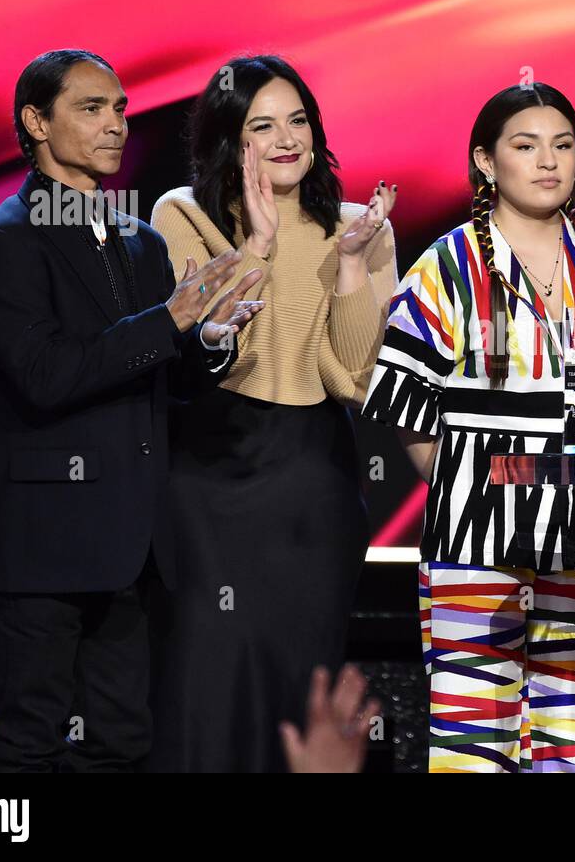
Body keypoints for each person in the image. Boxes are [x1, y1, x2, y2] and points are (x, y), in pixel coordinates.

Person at [0, 49, 262, 772]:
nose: (116, 124)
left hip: (131, 552)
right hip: (37, 551)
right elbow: (46, 374)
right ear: (36, 121)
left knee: (122, 745)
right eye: (92, 108)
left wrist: (208, 339)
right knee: (28, 746)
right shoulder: (0, 241)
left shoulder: (141, 242)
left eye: (120, 108)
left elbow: (162, 379)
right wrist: (169, 321)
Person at [362, 83, 575, 772]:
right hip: (476, 542)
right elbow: (409, 411)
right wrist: (475, 490)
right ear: (486, 161)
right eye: (526, 145)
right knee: (473, 746)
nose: (548, 161)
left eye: (562, 145)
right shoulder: (446, 264)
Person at [148, 55, 397, 772]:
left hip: (312, 482)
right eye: (263, 125)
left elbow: (352, 379)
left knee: (301, 680)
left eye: (298, 121)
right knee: (203, 677)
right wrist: (257, 245)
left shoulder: (358, 224)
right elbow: (214, 350)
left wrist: (350, 265)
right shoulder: (182, 213)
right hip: (210, 475)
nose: (288, 138)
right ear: (231, 139)